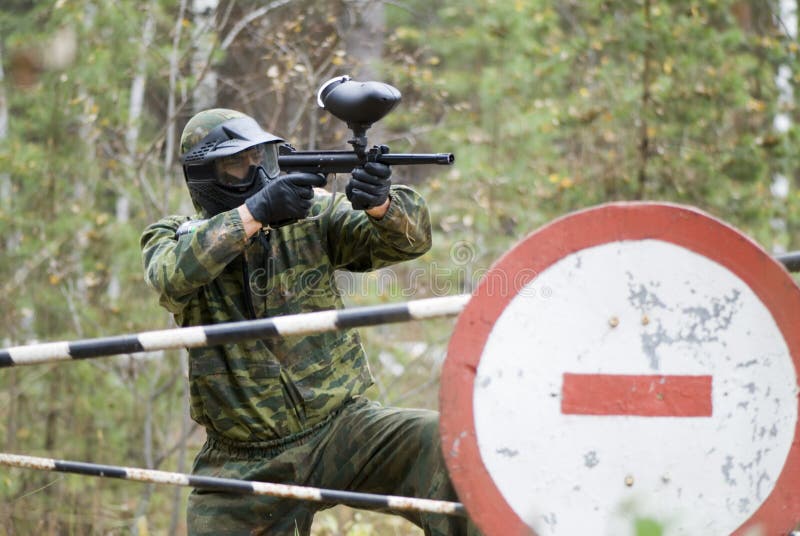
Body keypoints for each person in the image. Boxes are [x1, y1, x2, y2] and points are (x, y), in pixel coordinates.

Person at [140, 108, 478, 535]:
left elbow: (410, 240)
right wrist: (255, 212)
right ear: (203, 176)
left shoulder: (311, 218)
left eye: (259, 158)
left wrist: (381, 204)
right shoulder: (172, 234)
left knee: (443, 446)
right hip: (244, 462)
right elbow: (171, 275)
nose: (254, 171)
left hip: (341, 426)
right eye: (236, 164)